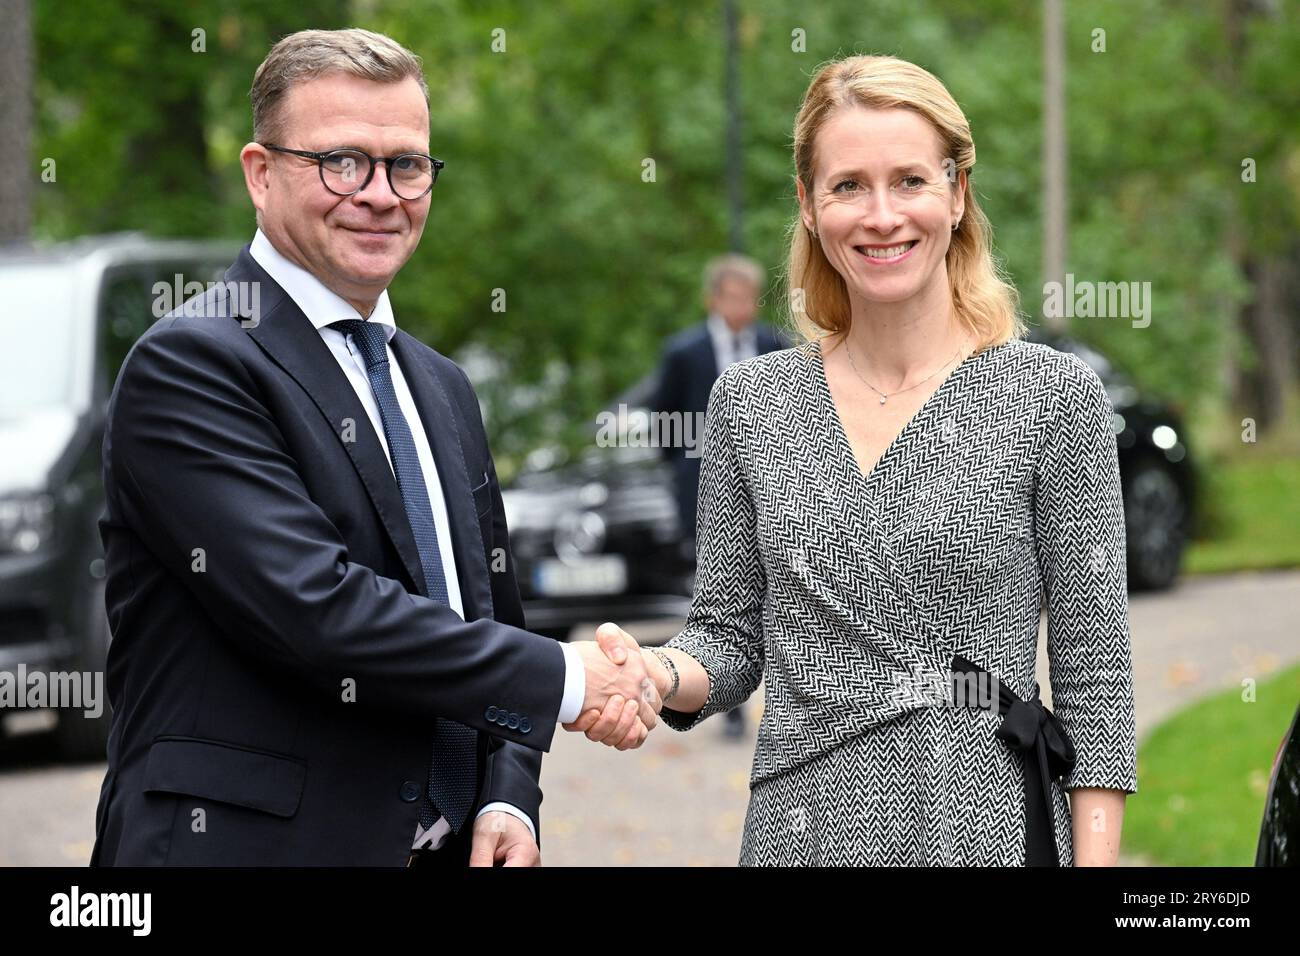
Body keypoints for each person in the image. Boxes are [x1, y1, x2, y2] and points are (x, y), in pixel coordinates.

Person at [89, 28, 659, 868]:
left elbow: (488, 617)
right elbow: (317, 611)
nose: (381, 194)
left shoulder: (441, 388)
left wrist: (506, 791)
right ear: (260, 172)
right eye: (343, 162)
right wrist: (570, 682)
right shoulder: (193, 363)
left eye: (408, 165)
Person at [573, 54, 1139, 866]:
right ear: (808, 205)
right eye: (848, 187)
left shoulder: (1052, 397)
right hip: (797, 832)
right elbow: (728, 640)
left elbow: (1096, 688)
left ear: (957, 194)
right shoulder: (751, 402)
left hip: (979, 827)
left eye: (909, 180)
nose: (881, 216)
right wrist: (655, 673)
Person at [648, 255, 786, 740]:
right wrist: (686, 472)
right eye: (732, 296)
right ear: (713, 299)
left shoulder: (776, 345)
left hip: (772, 485)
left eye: (749, 297)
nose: (741, 306)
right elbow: (662, 418)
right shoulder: (684, 352)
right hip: (702, 485)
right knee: (717, 594)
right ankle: (726, 702)